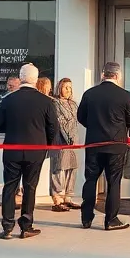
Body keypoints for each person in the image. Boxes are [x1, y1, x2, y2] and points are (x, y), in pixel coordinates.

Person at [0, 64, 58, 239]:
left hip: (12, 148)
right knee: (30, 187)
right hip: (35, 150)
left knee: (9, 187)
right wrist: (47, 144)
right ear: (36, 80)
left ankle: (7, 226)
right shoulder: (46, 101)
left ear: (21, 78)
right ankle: (26, 226)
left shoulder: (8, 100)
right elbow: (53, 127)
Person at [77, 62, 130, 231]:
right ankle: (111, 219)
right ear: (118, 76)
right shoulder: (124, 95)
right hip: (116, 145)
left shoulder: (90, 94)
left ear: (102, 75)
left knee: (90, 180)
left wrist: (94, 127)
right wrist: (121, 128)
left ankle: (86, 218)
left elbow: (81, 117)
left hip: (94, 143)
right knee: (113, 182)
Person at [49, 78, 79, 211]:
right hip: (60, 139)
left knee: (72, 167)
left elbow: (76, 121)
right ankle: (57, 198)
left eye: (70, 87)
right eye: (66, 87)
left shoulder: (73, 104)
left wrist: (73, 137)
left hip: (73, 140)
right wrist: (68, 137)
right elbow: (60, 122)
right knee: (58, 167)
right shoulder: (54, 103)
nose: (68, 90)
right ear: (59, 88)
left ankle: (68, 196)